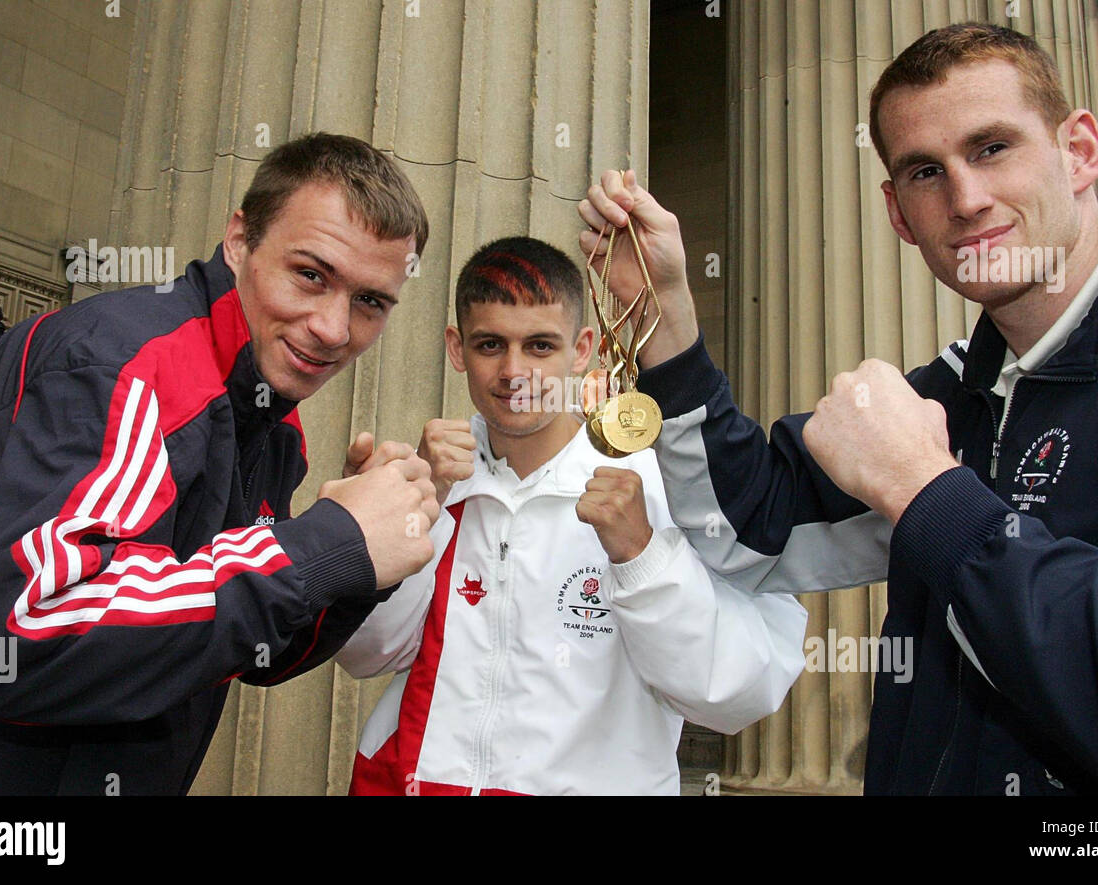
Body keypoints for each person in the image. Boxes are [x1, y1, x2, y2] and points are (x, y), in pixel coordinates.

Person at [578, 23, 1098, 795]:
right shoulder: (957, 389)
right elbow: (743, 532)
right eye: (924, 171)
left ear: (1079, 151)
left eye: (991, 148)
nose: (967, 200)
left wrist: (927, 491)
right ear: (898, 215)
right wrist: (666, 313)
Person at [0, 133, 440, 795]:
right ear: (240, 240)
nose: (334, 328)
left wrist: (357, 563)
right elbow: (34, 642)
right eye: (311, 274)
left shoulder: (272, 421)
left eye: (369, 301)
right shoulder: (125, 363)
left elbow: (248, 654)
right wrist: (318, 544)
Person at [334, 236, 808, 795]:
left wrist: (644, 558)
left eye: (539, 346)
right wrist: (398, 525)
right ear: (457, 348)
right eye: (490, 345)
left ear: (581, 349)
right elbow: (366, 655)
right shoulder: (431, 482)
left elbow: (740, 692)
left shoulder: (669, 488)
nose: (515, 373)